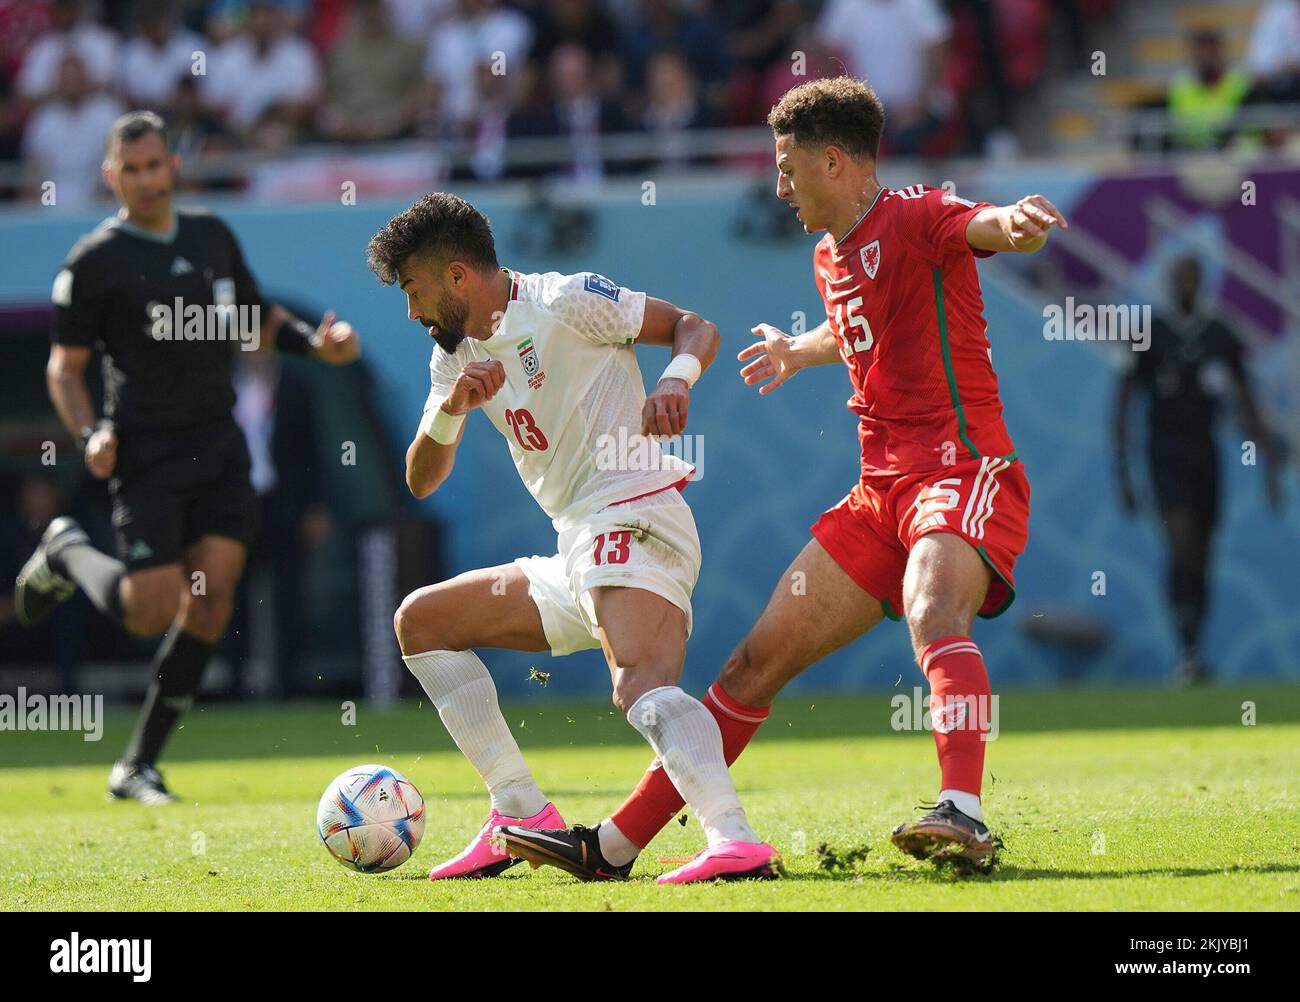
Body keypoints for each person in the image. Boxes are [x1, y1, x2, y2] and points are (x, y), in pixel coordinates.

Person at [507, 76, 1067, 876]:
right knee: (749, 667)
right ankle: (614, 847)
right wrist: (796, 352)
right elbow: (860, 327)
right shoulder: (828, 254)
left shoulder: (915, 214)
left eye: (788, 168)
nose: (779, 187)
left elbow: (982, 227)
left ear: (834, 162)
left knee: (933, 610)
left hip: (960, 470)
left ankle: (964, 814)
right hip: (879, 496)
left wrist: (1016, 224)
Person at [368, 191, 779, 885]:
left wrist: (676, 381)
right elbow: (420, 479)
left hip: (635, 514)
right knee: (423, 622)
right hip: (577, 545)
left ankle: (733, 839)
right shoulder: (455, 357)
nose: (411, 311)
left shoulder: (565, 300)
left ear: (458, 276)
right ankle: (520, 812)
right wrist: (452, 410)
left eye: (413, 289)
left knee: (640, 689)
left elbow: (693, 326)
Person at [15, 110, 360, 804]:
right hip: (147, 452)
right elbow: (63, 368)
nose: (145, 180)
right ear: (111, 177)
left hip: (219, 446)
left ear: (173, 167)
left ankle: (138, 764)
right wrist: (89, 436)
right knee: (149, 610)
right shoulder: (94, 261)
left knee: (209, 604)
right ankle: (64, 550)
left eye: (154, 166)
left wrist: (317, 344)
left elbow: (258, 321)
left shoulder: (211, 235)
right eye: (130, 170)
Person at [1114, 255, 1281, 685]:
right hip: (1164, 456)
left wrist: (1271, 469)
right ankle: (1186, 648)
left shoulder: (1219, 334)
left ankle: (1194, 650)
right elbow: (1124, 402)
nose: (1185, 284)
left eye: (1193, 277)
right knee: (1181, 545)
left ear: (1202, 283)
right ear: (1170, 282)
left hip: (1206, 456)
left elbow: (1247, 400)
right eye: (1179, 277)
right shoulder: (1149, 334)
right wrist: (1124, 474)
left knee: (1203, 556)